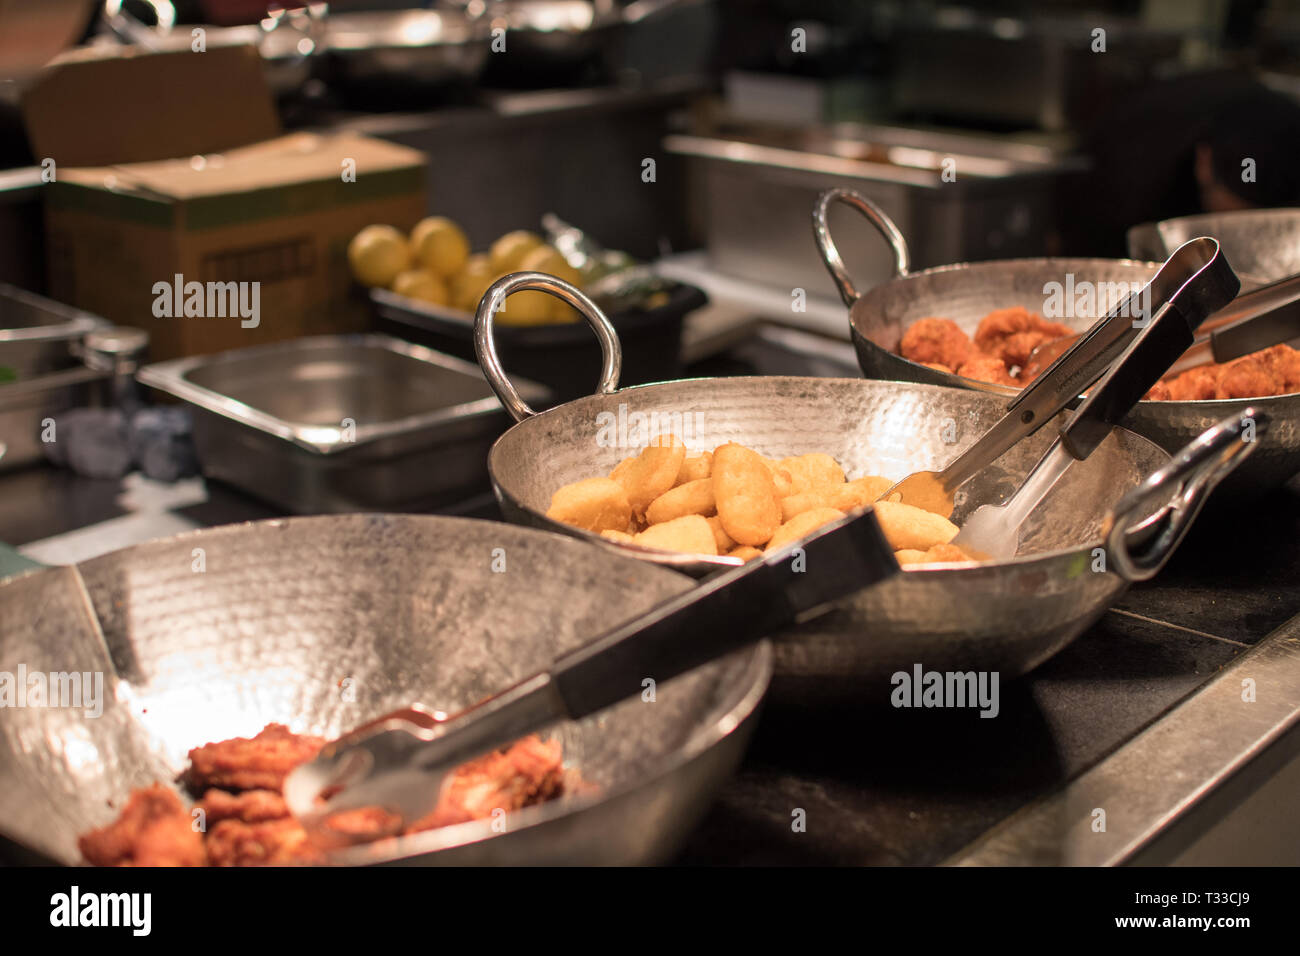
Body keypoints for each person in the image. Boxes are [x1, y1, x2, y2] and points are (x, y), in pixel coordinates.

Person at [1062, 70, 1300, 256]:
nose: (1250, 237)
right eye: (1238, 228)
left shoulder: (1281, 138)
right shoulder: (1133, 175)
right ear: (1203, 165)